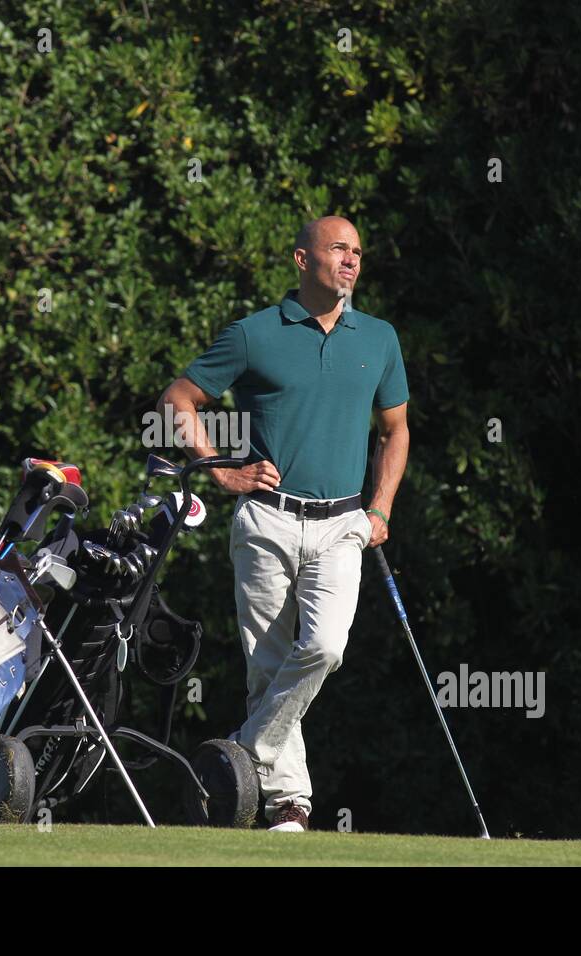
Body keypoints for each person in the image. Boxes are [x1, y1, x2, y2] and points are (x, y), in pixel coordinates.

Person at [157, 216, 410, 831]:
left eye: (357, 251)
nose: (351, 260)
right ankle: (288, 806)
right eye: (338, 249)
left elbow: (396, 430)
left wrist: (381, 507)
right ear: (303, 260)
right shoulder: (254, 334)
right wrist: (221, 473)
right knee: (268, 665)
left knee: (324, 647)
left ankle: (244, 752)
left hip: (341, 523)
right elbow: (176, 400)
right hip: (266, 520)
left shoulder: (378, 338)